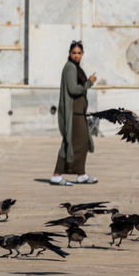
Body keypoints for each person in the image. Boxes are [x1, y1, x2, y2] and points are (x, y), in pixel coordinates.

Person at [51, 40, 97, 186]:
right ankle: (57, 175)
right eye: (74, 53)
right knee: (70, 142)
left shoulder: (74, 67)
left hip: (78, 112)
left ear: (82, 54)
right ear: (69, 54)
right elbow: (73, 89)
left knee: (82, 142)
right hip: (73, 113)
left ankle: (81, 174)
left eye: (79, 53)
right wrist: (89, 82)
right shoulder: (70, 68)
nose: (76, 56)